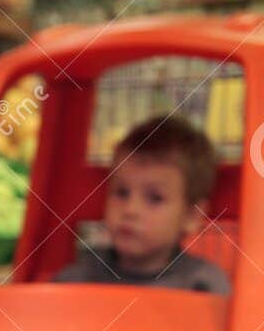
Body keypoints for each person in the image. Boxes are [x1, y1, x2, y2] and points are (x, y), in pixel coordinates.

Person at [56, 113, 231, 294]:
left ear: (191, 216)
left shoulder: (204, 286)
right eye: (121, 193)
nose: (130, 210)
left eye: (154, 198)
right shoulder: (76, 281)